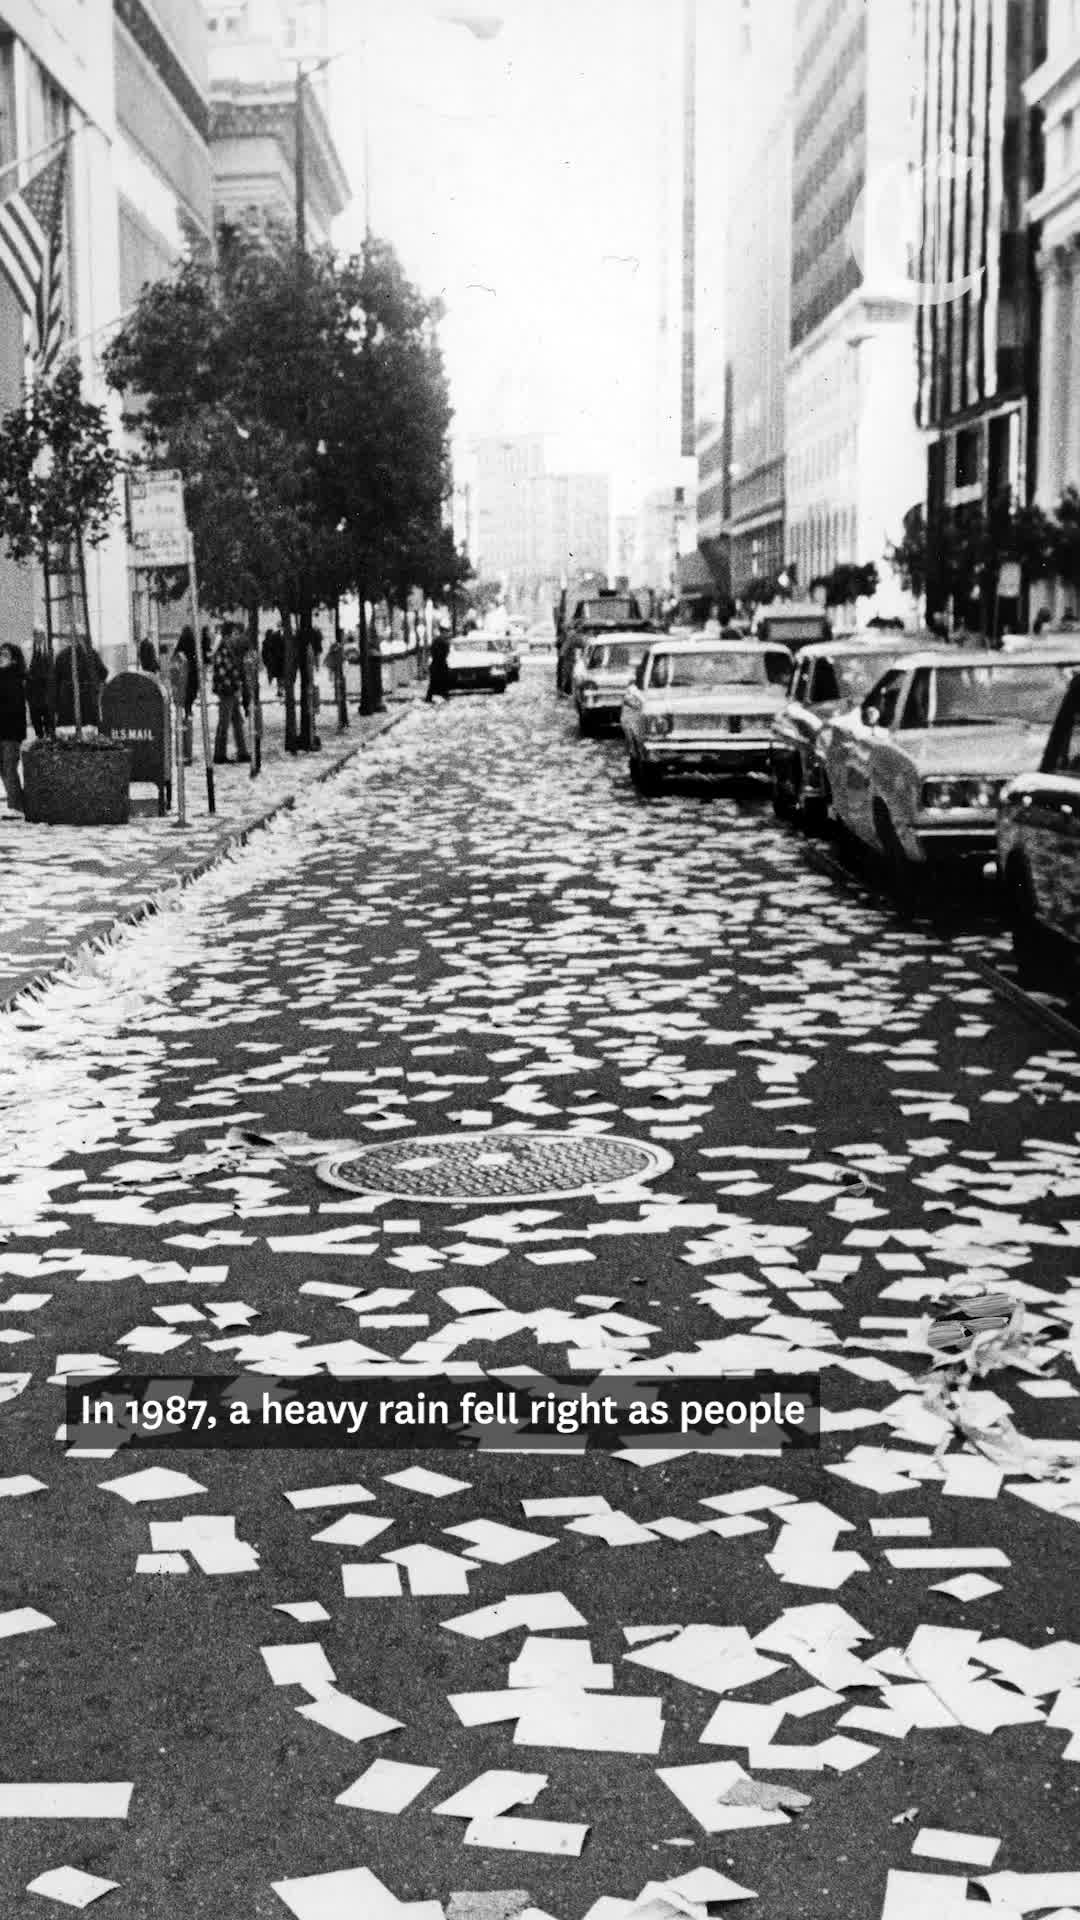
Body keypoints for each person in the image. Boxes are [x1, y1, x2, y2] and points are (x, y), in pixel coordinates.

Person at [212, 622, 250, 764]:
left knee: (237, 722)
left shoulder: (228, 648)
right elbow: (224, 671)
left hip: (232, 689)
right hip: (227, 691)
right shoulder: (223, 649)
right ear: (228, 635)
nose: (236, 636)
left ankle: (243, 751)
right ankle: (219, 754)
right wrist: (233, 686)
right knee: (225, 722)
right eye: (234, 633)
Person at [0, 642, 27, 812]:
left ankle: (16, 806)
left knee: (9, 768)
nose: (1, 657)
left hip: (11, 732)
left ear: (14, 659)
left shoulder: (17, 678)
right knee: (3, 768)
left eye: (5, 654)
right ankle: (16, 802)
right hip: (2, 730)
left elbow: (15, 706)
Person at [174, 626, 199, 765]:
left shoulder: (180, 650)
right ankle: (187, 752)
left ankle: (182, 752)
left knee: (181, 714)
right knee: (188, 713)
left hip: (181, 686)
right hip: (191, 683)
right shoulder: (193, 650)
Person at [426, 626, 451, 702]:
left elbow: (432, 651)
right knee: (441, 681)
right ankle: (443, 696)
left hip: (436, 664)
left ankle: (431, 697)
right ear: (443, 632)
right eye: (446, 632)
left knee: (435, 682)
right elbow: (444, 653)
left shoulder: (436, 640)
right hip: (440, 664)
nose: (447, 634)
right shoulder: (443, 641)